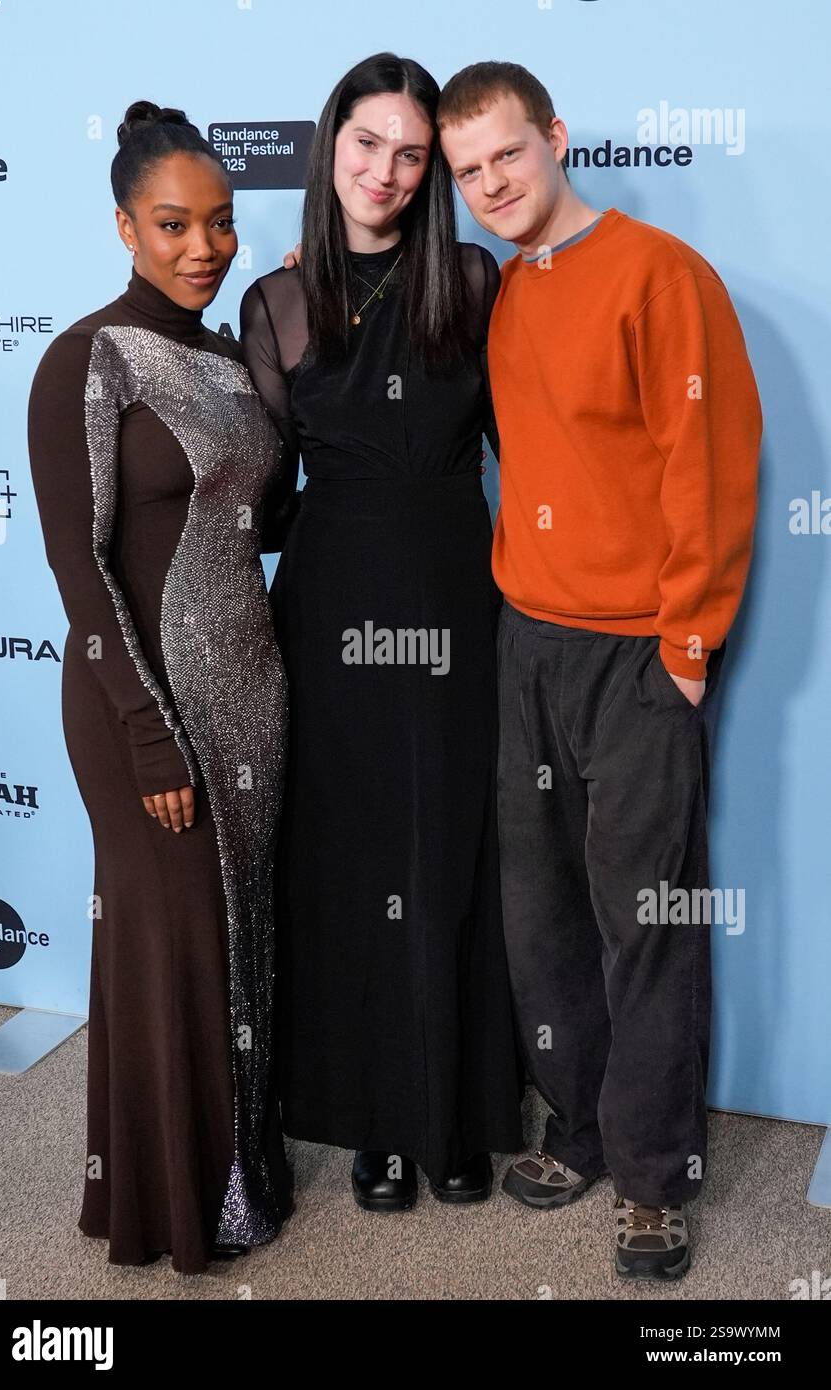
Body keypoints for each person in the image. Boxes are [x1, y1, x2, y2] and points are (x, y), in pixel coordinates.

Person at [437, 62, 762, 1279]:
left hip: (637, 652)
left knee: (647, 921)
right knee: (544, 916)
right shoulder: (510, 291)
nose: (489, 187)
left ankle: (651, 1177)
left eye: (505, 157)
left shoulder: (660, 273)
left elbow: (709, 460)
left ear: (555, 139)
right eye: (466, 172)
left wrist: (685, 646)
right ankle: (572, 1128)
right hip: (526, 637)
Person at [241, 52, 523, 1212]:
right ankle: (373, 1124)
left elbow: (527, 443)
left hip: (457, 591)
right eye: (369, 143)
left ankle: (452, 1111)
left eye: (412, 153)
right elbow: (259, 496)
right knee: (352, 858)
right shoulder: (277, 301)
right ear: (331, 143)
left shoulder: (470, 277)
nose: (388, 170)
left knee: (451, 847)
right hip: (328, 605)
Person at [27, 101, 293, 1273]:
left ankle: (238, 1172)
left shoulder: (232, 357)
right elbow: (78, 567)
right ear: (125, 225)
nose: (203, 247)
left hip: (252, 690)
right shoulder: (87, 357)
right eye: (174, 224)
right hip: (140, 702)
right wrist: (147, 737)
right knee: (170, 940)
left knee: (237, 937)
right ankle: (169, 1204)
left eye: (221, 223)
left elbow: (267, 519)